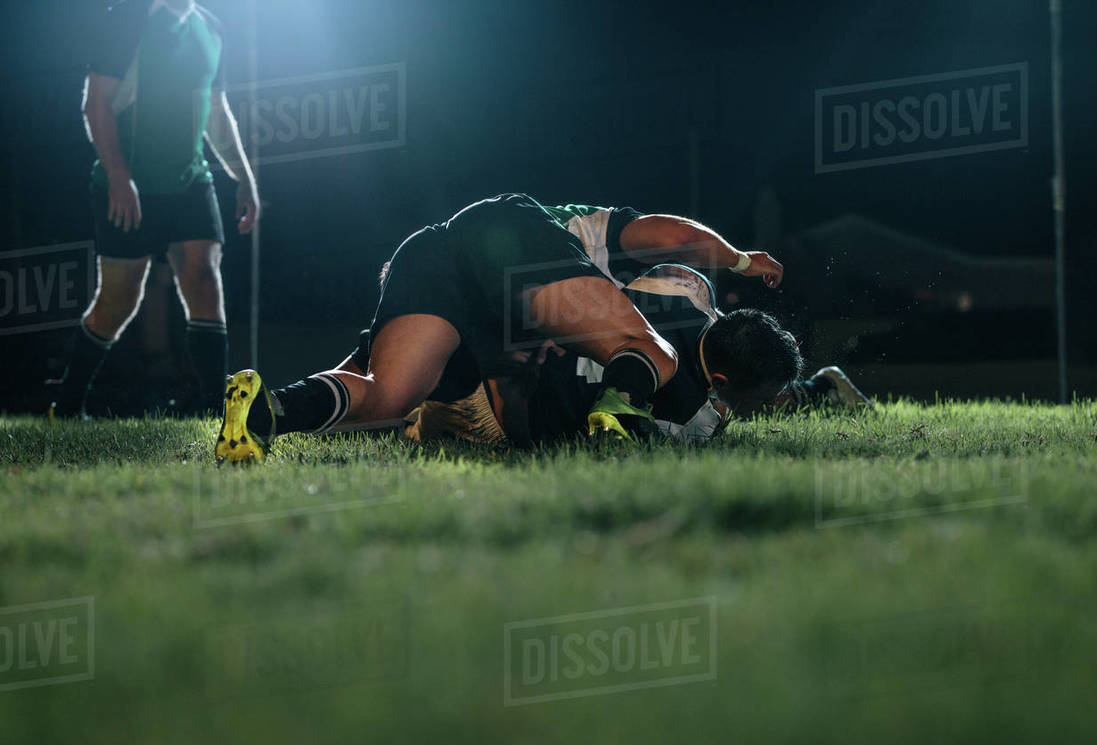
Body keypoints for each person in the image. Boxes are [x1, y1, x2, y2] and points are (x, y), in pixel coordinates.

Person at [213, 193, 787, 463]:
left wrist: (739, 258)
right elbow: (664, 240)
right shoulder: (679, 298)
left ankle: (271, 411)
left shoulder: (677, 285)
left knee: (389, 395)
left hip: (437, 253)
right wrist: (738, 259)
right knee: (647, 350)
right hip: (512, 244)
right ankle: (618, 418)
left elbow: (668, 239)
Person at [370, 264, 869, 449]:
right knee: (400, 419)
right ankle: (820, 390)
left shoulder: (684, 286)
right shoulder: (695, 418)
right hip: (495, 413)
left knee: (389, 379)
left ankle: (819, 388)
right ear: (717, 379)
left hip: (498, 339)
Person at [51, 0, 260, 419]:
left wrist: (244, 179)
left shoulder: (211, 27)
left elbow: (216, 113)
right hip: (130, 184)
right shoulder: (126, 19)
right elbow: (96, 104)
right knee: (118, 301)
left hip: (190, 181)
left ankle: (214, 415)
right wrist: (117, 175)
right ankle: (68, 405)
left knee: (204, 278)